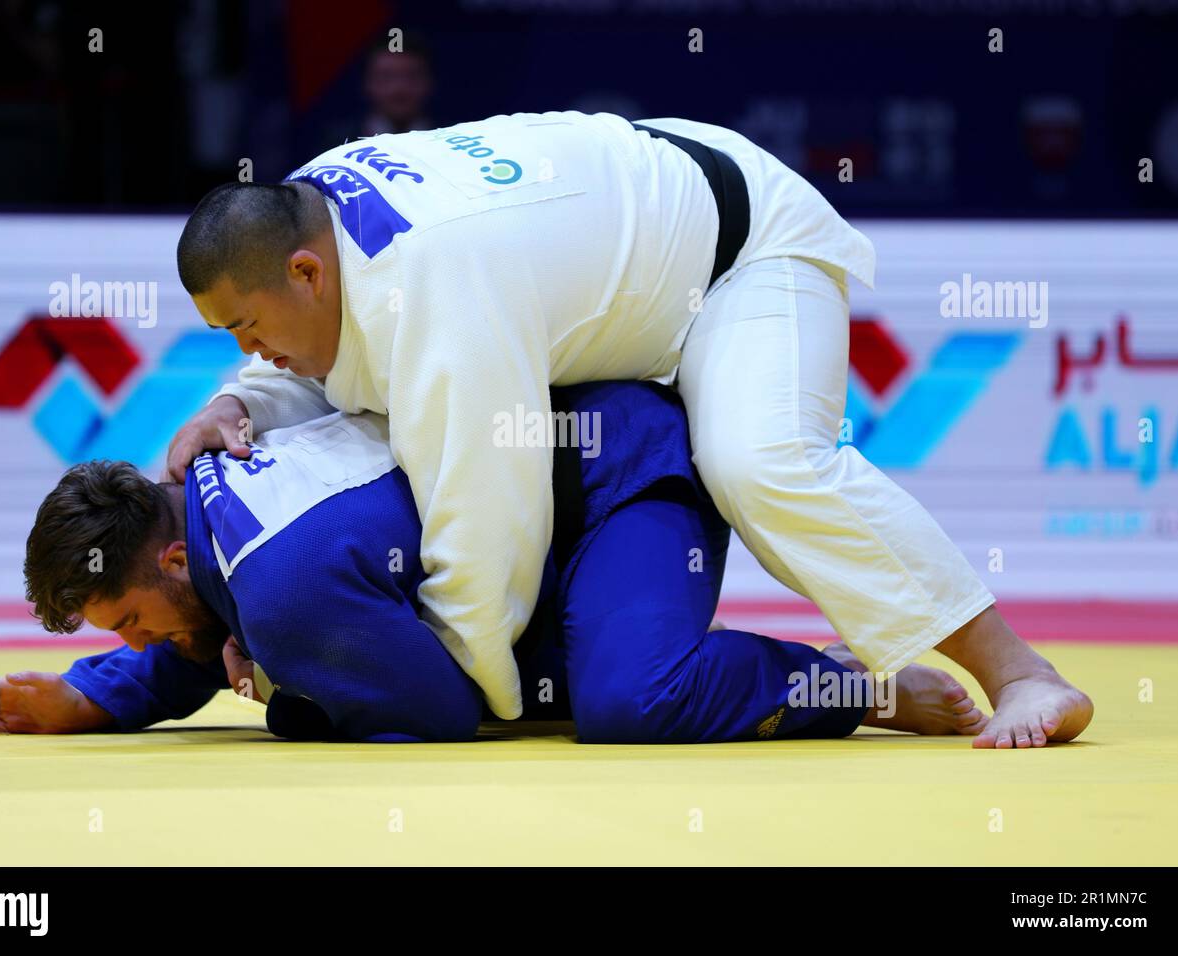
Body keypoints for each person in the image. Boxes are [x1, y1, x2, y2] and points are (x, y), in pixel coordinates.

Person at [165, 110, 1091, 748]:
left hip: (743, 253)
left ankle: (1022, 673)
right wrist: (237, 404)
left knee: (758, 463)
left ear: (304, 271)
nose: (253, 351)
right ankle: (795, 672)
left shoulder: (438, 289)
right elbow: (309, 352)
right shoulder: (315, 210)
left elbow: (490, 528)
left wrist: (466, 695)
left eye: (248, 333)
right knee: (622, 656)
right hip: (645, 225)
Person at [0, 382, 986, 743]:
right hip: (554, 495)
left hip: (620, 480)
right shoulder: (206, 498)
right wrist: (95, 698)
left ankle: (846, 682)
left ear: (170, 553)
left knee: (624, 697)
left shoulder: (277, 587)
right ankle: (644, 633)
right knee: (545, 664)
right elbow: (201, 619)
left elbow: (443, 710)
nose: (146, 641)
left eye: (128, 623)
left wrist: (289, 695)